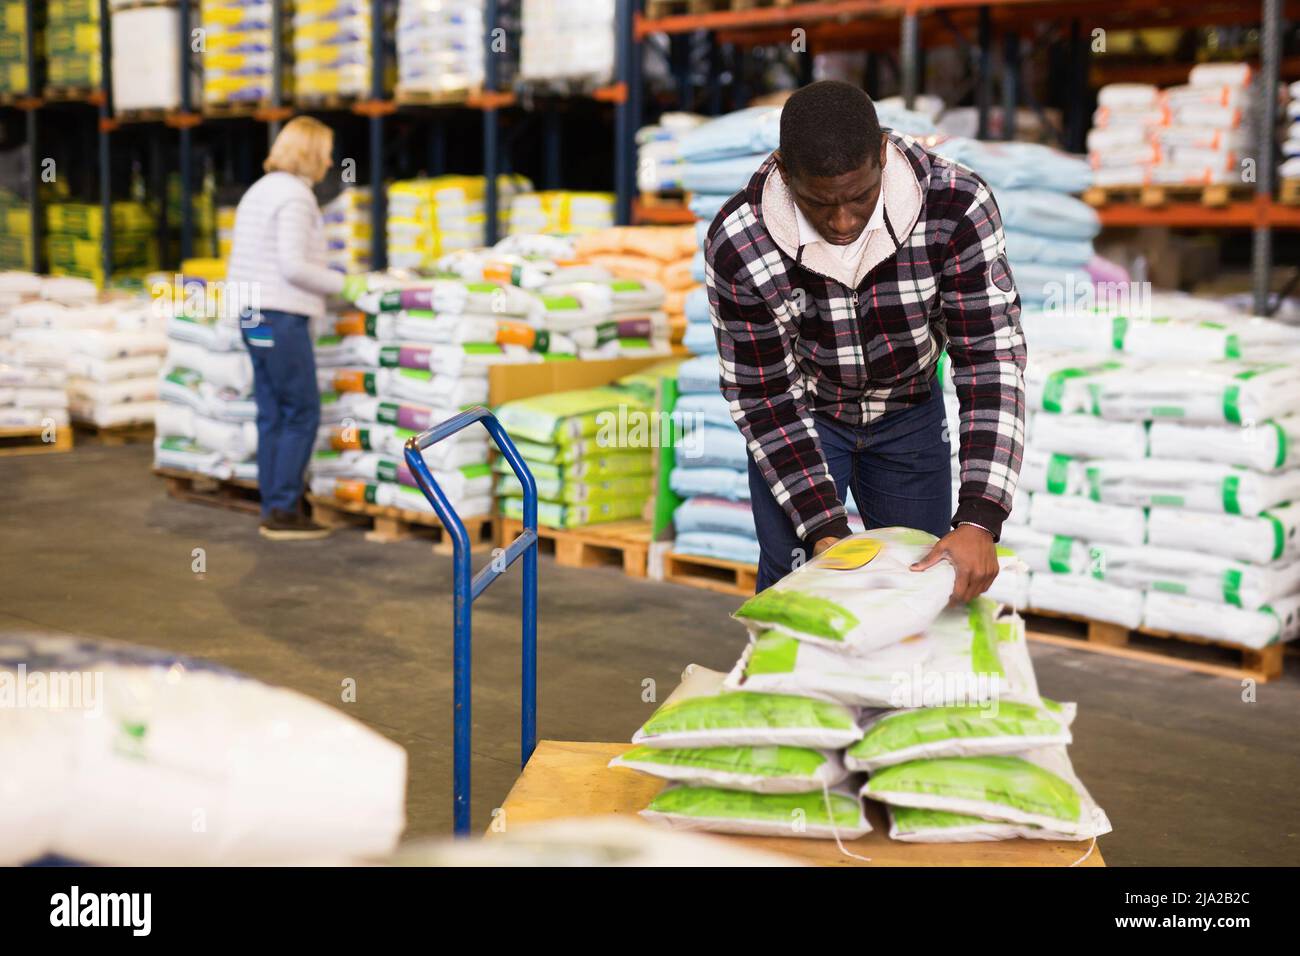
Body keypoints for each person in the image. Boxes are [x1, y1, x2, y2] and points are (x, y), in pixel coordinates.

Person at [704, 81, 1027, 601]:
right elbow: (764, 395)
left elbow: (989, 362)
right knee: (799, 590)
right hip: (804, 417)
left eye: (859, 197)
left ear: (882, 154)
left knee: (920, 586)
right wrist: (823, 528)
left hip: (909, 416)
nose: (842, 221)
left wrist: (980, 519)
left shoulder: (957, 206)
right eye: (818, 203)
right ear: (785, 174)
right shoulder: (740, 243)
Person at [226, 116, 367, 540]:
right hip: (279, 315)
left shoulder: (261, 190)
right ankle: (285, 511)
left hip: (253, 314)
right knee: (301, 410)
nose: (329, 163)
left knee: (272, 410)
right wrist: (346, 284)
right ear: (309, 154)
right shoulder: (295, 197)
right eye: (325, 153)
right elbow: (292, 265)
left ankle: (274, 504)